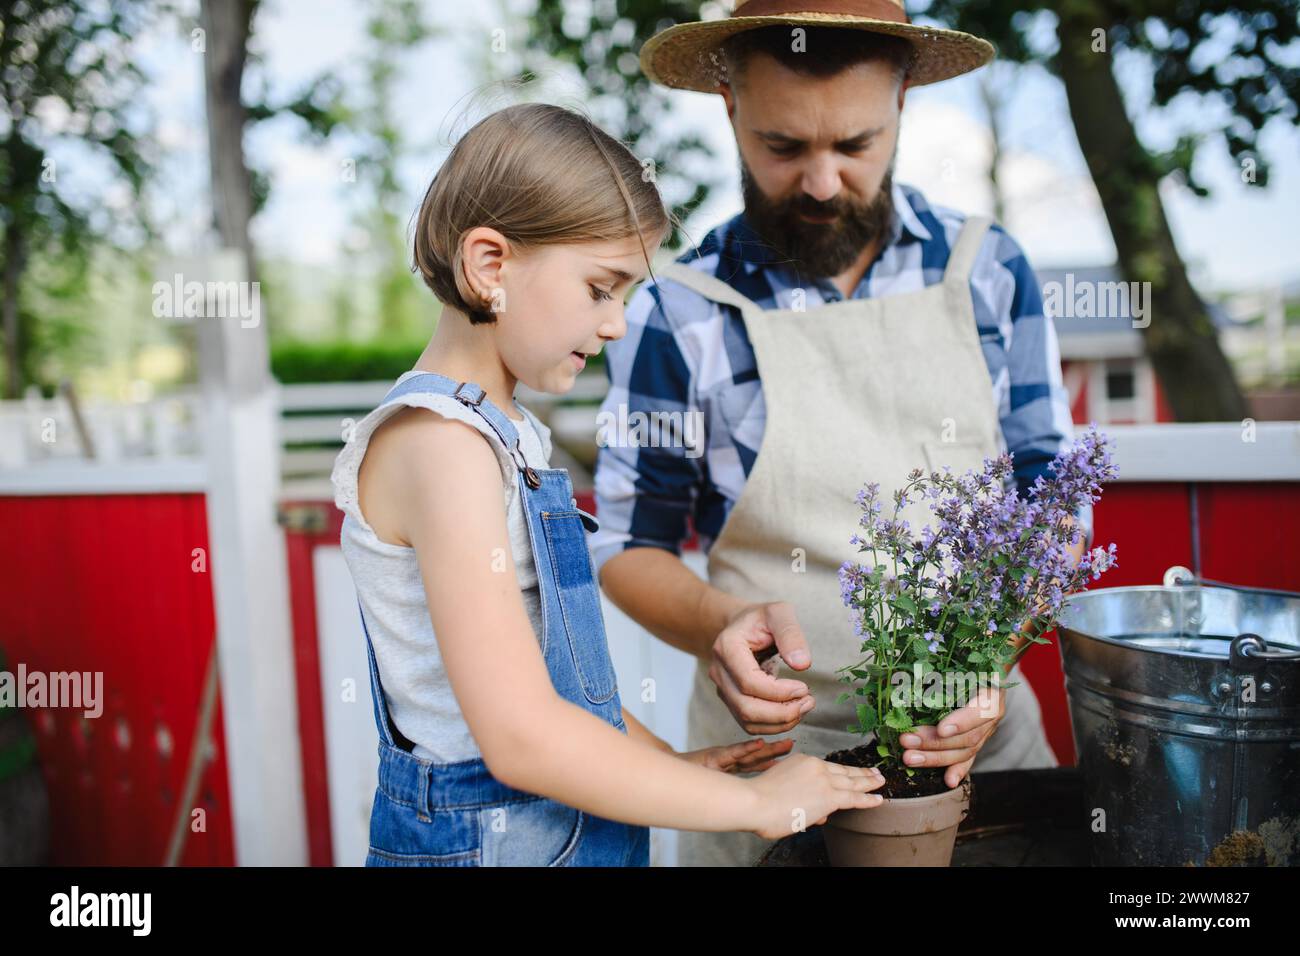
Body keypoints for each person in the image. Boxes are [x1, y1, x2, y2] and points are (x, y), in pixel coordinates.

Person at [592, 3, 1090, 866]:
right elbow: (629, 547)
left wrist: (980, 669)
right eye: (784, 147)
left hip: (978, 771)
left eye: (855, 145)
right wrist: (721, 622)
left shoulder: (990, 272)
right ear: (729, 109)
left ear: (903, 104)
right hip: (764, 779)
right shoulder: (677, 313)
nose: (821, 183)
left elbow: (1053, 509)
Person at [329, 102, 886, 867]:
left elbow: (549, 684)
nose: (619, 323)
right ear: (492, 265)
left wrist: (667, 765)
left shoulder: (500, 431)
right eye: (601, 288)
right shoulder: (441, 446)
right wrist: (754, 803)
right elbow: (521, 738)